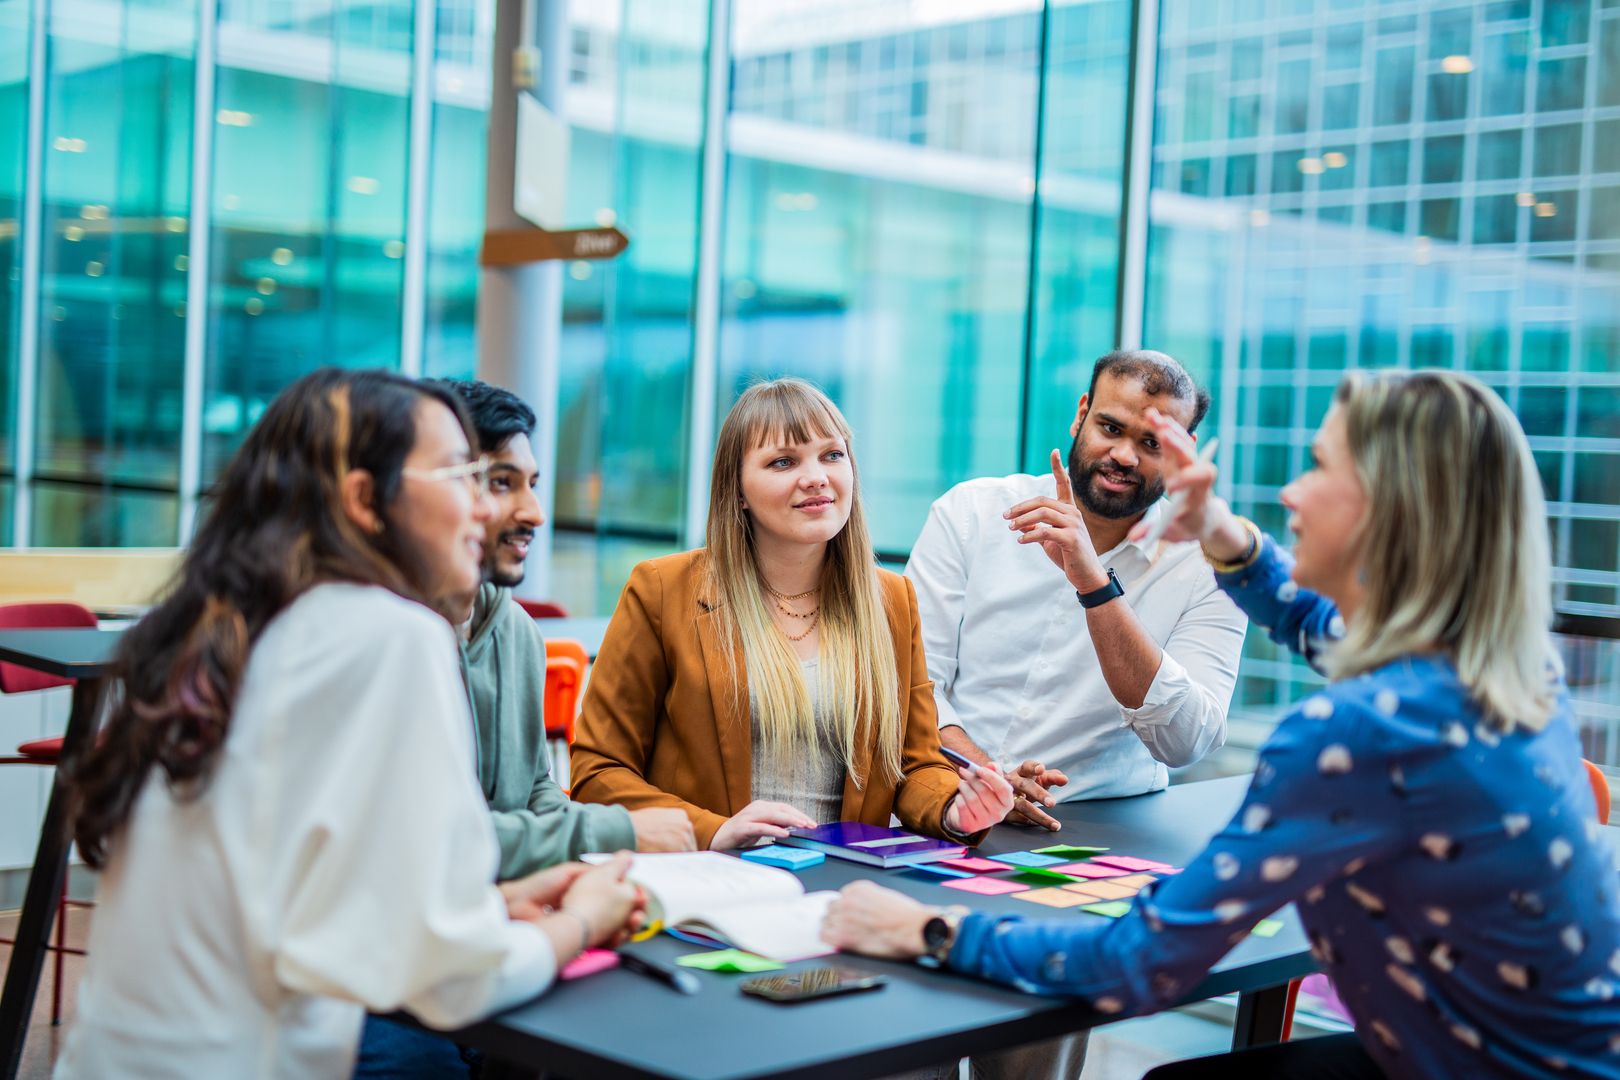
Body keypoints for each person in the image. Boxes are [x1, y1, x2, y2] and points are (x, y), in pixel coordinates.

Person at [823, 368, 1620, 1079]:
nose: (1291, 495)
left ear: (1390, 512)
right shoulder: (1503, 666)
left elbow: (1141, 960)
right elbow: (1312, 621)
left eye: (1320, 468)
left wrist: (933, 931)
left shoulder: (1357, 736)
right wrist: (1219, 529)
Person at [57, 369, 643, 1079]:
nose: (486, 510)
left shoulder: (220, 627)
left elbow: (304, 898)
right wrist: (584, 920)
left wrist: (494, 903)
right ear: (365, 500)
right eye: (462, 477)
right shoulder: (389, 634)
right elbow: (457, 979)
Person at [353, 380, 697, 1077]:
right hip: (379, 966)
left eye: (531, 484)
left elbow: (535, 791)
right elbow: (432, 846)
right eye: (499, 482)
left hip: (480, 924)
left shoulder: (514, 631)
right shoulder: (379, 637)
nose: (532, 512)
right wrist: (617, 833)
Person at [570, 377, 1014, 850]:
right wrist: (713, 830)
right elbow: (598, 772)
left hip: (842, 876)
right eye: (783, 462)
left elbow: (915, 764)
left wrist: (954, 808)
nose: (816, 477)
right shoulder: (662, 590)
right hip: (712, 873)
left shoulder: (892, 600)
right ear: (737, 490)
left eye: (832, 455)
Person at [908, 350, 1245, 831]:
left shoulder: (1209, 566)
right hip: (947, 805)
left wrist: (1096, 586)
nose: (1124, 456)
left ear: (1184, 452)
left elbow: (1188, 743)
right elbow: (913, 687)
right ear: (1081, 414)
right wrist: (990, 779)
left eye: (1152, 443)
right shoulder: (970, 513)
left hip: (1106, 831)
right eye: (1110, 428)